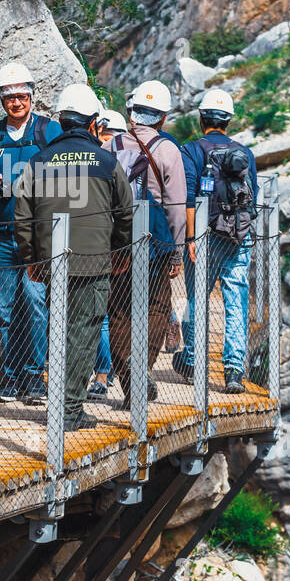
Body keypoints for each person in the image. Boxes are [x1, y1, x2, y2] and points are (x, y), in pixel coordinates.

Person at [13, 84, 132, 431]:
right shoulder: (107, 161)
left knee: (60, 331)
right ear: (94, 124)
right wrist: (120, 252)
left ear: (62, 122)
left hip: (52, 263)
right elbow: (126, 213)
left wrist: (32, 259)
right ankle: (68, 411)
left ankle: (64, 406)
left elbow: (22, 217)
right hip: (94, 262)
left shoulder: (38, 161)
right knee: (84, 334)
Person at [0, 62, 62, 402]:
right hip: (4, 234)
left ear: (32, 97)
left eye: (22, 96)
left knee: (35, 303)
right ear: (1, 99)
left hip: (37, 236)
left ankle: (36, 377)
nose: (16, 103)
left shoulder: (49, 131)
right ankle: (11, 378)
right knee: (6, 310)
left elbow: (64, 176)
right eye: (10, 97)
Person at [107, 79, 187, 407]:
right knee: (156, 305)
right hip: (153, 245)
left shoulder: (111, 148)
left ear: (132, 114)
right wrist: (177, 252)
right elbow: (177, 207)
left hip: (115, 242)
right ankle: (141, 369)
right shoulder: (168, 150)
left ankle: (128, 376)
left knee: (116, 309)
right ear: (162, 118)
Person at [174, 89, 259, 393]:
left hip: (205, 236)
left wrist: (190, 237)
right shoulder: (245, 153)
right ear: (228, 122)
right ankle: (234, 371)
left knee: (198, 299)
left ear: (201, 118)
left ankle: (194, 359)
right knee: (236, 303)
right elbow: (254, 198)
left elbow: (187, 195)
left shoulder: (192, 151)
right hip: (238, 236)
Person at [89, 109, 129, 398]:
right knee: (116, 312)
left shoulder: (96, 159)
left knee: (101, 314)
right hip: (121, 243)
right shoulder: (123, 160)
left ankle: (102, 374)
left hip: (97, 243)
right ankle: (110, 371)